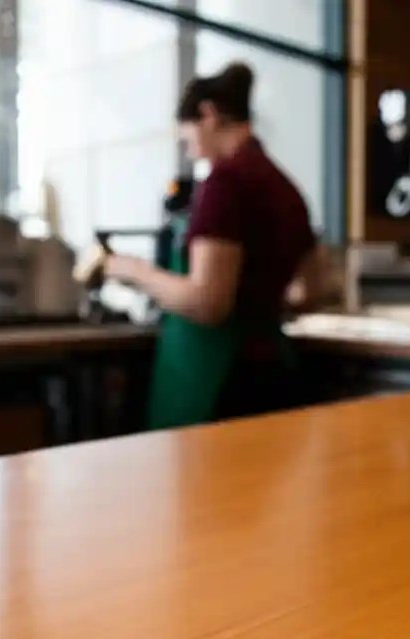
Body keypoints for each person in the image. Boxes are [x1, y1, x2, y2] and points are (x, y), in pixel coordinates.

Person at [104, 62, 326, 430]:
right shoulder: (286, 188)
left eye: (187, 140)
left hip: (224, 386)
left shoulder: (226, 182)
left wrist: (134, 272)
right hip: (275, 374)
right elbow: (311, 291)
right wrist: (258, 300)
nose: (190, 152)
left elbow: (208, 303)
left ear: (207, 115)